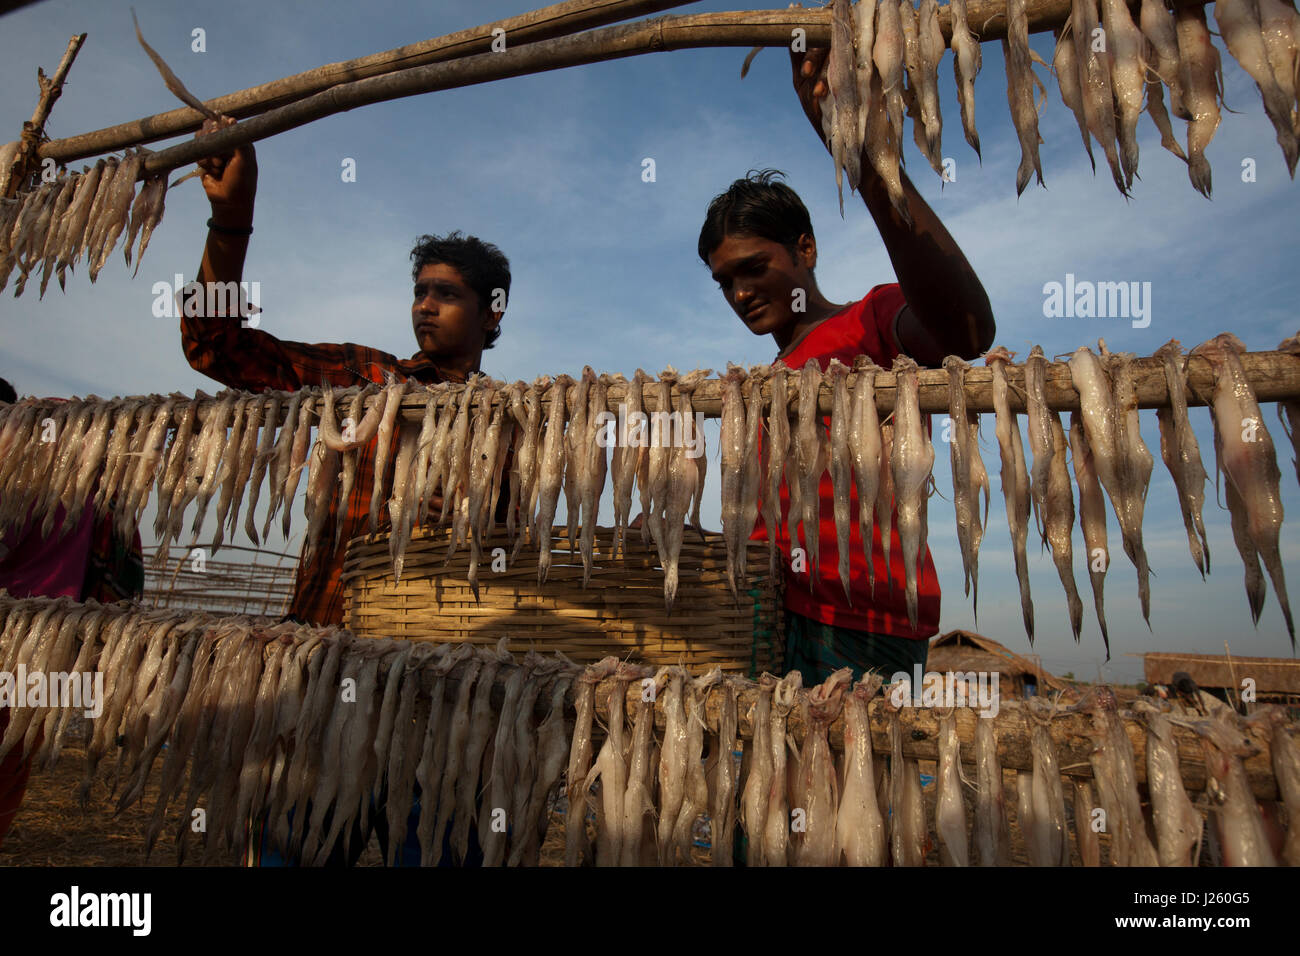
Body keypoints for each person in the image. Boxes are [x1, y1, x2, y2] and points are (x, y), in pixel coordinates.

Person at [182, 119, 506, 866]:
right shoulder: (361, 381)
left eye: (447, 293)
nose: (425, 305)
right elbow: (220, 347)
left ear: (494, 313)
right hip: (326, 679)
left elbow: (507, 563)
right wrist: (231, 223)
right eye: (420, 290)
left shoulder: (515, 425)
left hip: (441, 701)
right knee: (293, 851)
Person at [698, 50, 995, 689]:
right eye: (724, 281)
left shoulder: (871, 320)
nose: (740, 292)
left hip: (862, 622)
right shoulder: (764, 381)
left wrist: (865, 162)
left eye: (754, 267)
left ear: (805, 248)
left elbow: (966, 331)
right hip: (765, 614)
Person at [0, 381, 145, 849]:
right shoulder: (84, 467)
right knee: (11, 758)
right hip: (50, 647)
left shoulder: (19, 471)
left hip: (19, 635)